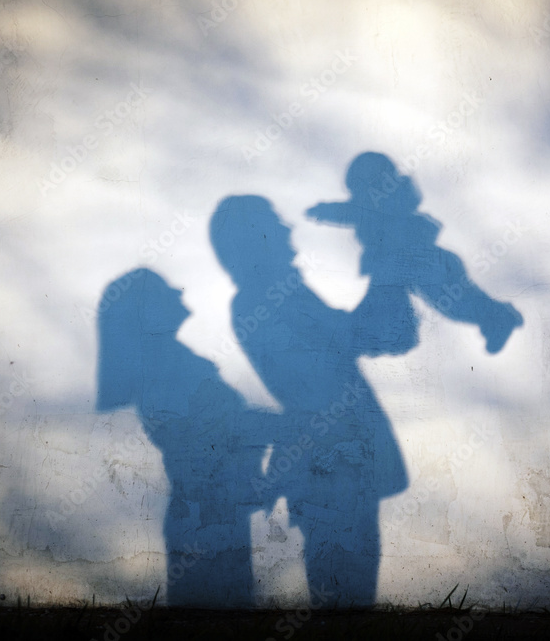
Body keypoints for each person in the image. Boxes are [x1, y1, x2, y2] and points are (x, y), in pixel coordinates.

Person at [209, 195, 410, 607]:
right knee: (344, 602)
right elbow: (351, 338)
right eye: (273, 223)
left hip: (337, 456)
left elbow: (365, 335)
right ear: (251, 240)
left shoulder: (280, 294)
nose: (286, 230)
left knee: (348, 598)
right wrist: (387, 262)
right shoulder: (265, 298)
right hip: (331, 458)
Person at [95, 268, 270, 607]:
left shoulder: (171, 363)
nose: (180, 289)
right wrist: (293, 425)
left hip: (213, 511)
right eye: (165, 289)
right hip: (205, 512)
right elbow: (223, 426)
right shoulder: (167, 368)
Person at [306, 151, 524, 353]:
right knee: (452, 303)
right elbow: (353, 211)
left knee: (450, 303)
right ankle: (494, 318)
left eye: (358, 189)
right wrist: (325, 211)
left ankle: (497, 317)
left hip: (420, 263)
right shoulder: (378, 203)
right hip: (418, 265)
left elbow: (351, 211)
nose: (356, 197)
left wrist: (325, 211)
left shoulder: (383, 202)